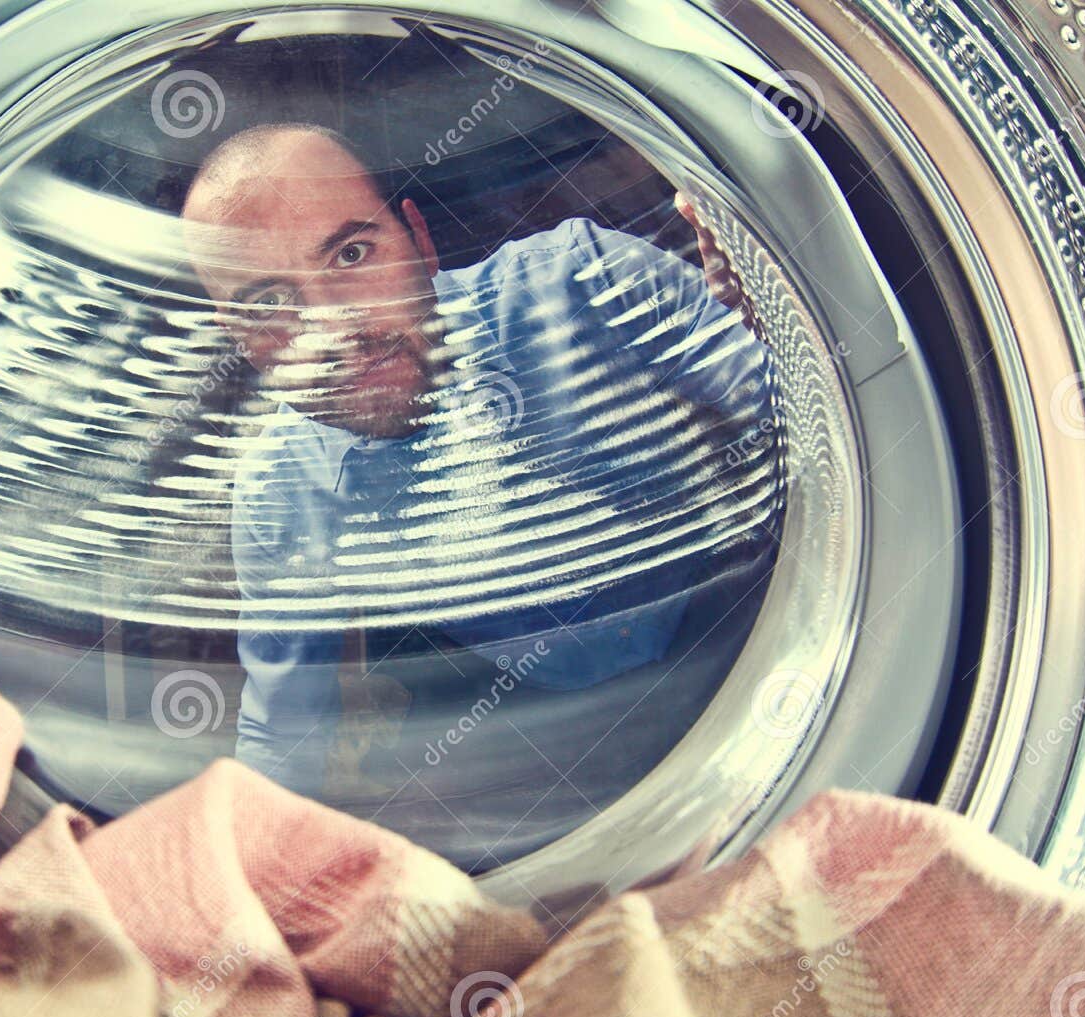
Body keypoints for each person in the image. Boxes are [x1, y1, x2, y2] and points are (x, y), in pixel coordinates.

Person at [180, 122, 778, 806]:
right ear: (238, 340)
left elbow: (803, 430)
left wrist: (772, 331)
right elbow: (286, 728)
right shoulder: (280, 489)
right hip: (555, 729)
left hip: (751, 627)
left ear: (421, 243)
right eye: (270, 304)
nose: (334, 330)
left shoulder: (586, 282)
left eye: (351, 253)